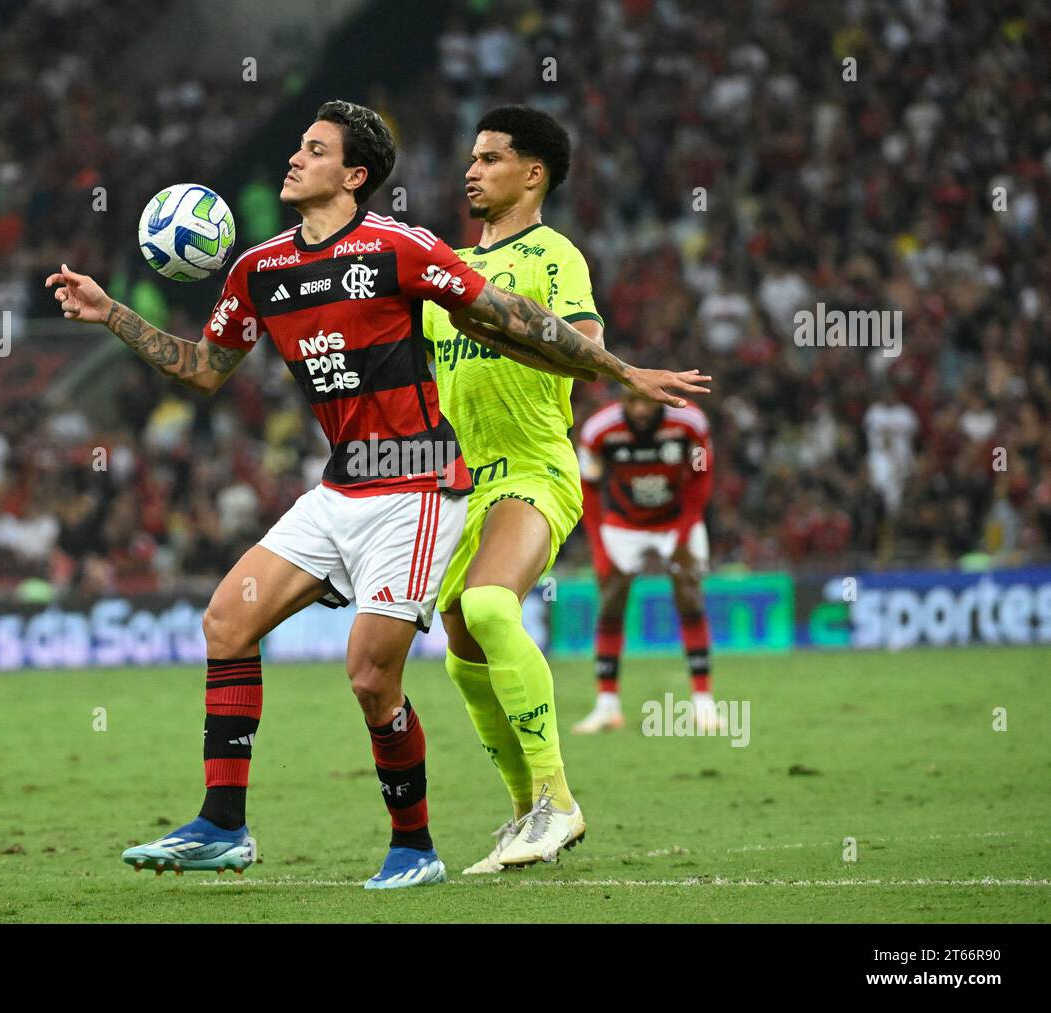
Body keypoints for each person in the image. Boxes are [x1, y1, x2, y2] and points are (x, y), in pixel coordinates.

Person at [48, 100, 708, 888]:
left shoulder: (401, 248)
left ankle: (416, 845)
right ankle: (223, 824)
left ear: (353, 175)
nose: (294, 158)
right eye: (297, 144)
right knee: (227, 618)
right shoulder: (259, 269)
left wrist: (622, 371)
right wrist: (112, 312)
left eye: (314, 148)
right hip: (342, 482)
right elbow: (202, 368)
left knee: (371, 673)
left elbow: (512, 318)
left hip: (421, 480)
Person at [421, 106, 605, 872]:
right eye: (471, 156)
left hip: (538, 466)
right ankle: (526, 812)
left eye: (492, 157)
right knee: (460, 644)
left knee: (493, 606)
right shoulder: (445, 277)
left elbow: (589, 350)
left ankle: (559, 801)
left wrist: (518, 329)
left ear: (534, 174)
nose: (473, 169)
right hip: (475, 483)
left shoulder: (552, 255)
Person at [574, 390, 718, 734]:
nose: (639, 410)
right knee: (611, 600)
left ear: (660, 400)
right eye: (631, 403)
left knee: (689, 595)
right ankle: (607, 705)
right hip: (623, 524)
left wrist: (683, 536)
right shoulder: (599, 431)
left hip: (677, 520)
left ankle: (703, 703)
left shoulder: (690, 423)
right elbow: (589, 487)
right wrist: (600, 549)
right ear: (621, 402)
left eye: (646, 403)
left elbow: (701, 475)